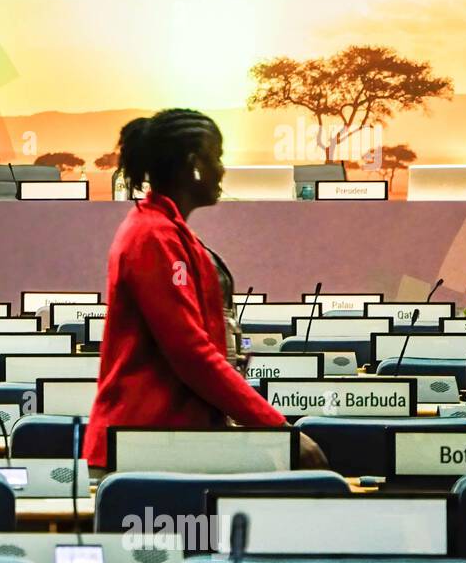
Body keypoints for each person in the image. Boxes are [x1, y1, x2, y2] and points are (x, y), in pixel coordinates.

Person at [83, 108, 328, 470]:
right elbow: (191, 352)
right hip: (141, 447)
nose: (222, 170)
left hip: (171, 444)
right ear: (194, 163)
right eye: (217, 157)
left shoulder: (171, 232)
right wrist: (277, 429)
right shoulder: (153, 236)